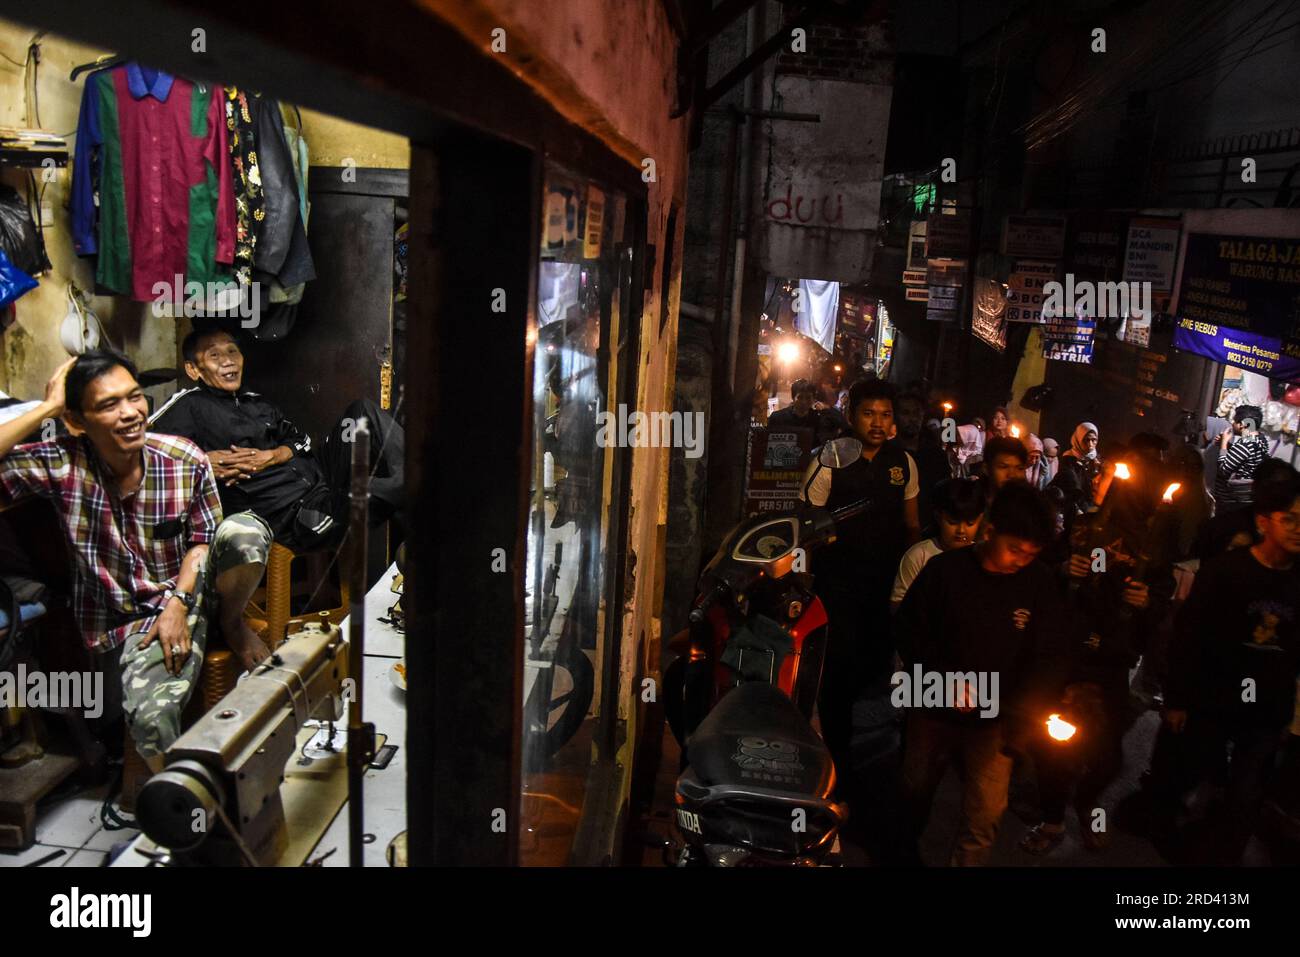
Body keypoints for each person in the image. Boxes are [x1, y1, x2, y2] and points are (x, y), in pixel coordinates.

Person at [0, 351, 273, 770]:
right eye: (109, 405)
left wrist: (179, 605)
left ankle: (231, 623)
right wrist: (49, 408)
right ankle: (182, 809)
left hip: (195, 592)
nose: (131, 413)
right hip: (130, 616)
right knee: (150, 719)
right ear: (77, 422)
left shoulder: (183, 459)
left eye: (135, 397)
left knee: (245, 534)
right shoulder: (63, 463)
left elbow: (202, 541)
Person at [893, 482, 1070, 865]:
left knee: (986, 812)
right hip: (932, 704)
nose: (1021, 560)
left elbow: (1048, 655)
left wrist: (1026, 712)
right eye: (1015, 549)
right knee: (914, 791)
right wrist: (941, 680)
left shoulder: (1038, 582)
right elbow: (909, 632)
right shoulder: (944, 571)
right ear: (989, 531)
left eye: (1031, 553)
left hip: (996, 717)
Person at [1152, 474, 1300, 864]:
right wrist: (1178, 698)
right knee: (1194, 774)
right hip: (1214, 697)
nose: (1299, 530)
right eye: (1291, 519)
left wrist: (1287, 712)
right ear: (1265, 520)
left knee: (1246, 793)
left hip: (1266, 707)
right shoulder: (1225, 571)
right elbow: (1189, 637)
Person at [151, 328, 404, 550]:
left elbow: (301, 440)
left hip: (323, 481)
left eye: (232, 351)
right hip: (300, 515)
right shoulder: (189, 406)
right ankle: (415, 483)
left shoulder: (256, 403)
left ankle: (413, 475)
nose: (228, 361)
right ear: (193, 369)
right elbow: (150, 456)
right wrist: (202, 463)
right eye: (214, 355)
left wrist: (272, 456)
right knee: (388, 489)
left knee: (362, 412)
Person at [800, 378, 921, 779]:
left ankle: (872, 757)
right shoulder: (826, 460)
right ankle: (835, 757)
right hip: (837, 586)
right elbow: (805, 529)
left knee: (873, 670)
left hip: (884, 586)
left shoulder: (902, 464)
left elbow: (911, 527)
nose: (878, 422)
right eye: (869, 413)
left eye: (886, 415)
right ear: (852, 415)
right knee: (836, 670)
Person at [891, 477, 985, 610]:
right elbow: (898, 606)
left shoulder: (981, 557)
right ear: (938, 517)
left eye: (970, 523)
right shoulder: (919, 556)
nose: (961, 530)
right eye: (952, 522)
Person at [894, 390, 951, 522]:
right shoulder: (887, 454)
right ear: (895, 416)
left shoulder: (935, 455)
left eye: (917, 413)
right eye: (906, 413)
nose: (912, 419)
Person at [1214, 404, 1269, 514]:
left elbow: (1224, 470)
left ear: (1243, 424)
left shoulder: (1245, 444)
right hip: (1245, 499)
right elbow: (1245, 458)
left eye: (1234, 421)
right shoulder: (1260, 440)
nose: (1233, 423)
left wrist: (1224, 444)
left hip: (1230, 502)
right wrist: (1227, 447)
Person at [767, 377, 843, 446]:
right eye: (800, 397)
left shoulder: (818, 419)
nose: (804, 401)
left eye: (808, 397)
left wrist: (827, 409)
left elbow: (842, 424)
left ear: (814, 399)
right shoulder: (778, 418)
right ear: (793, 398)